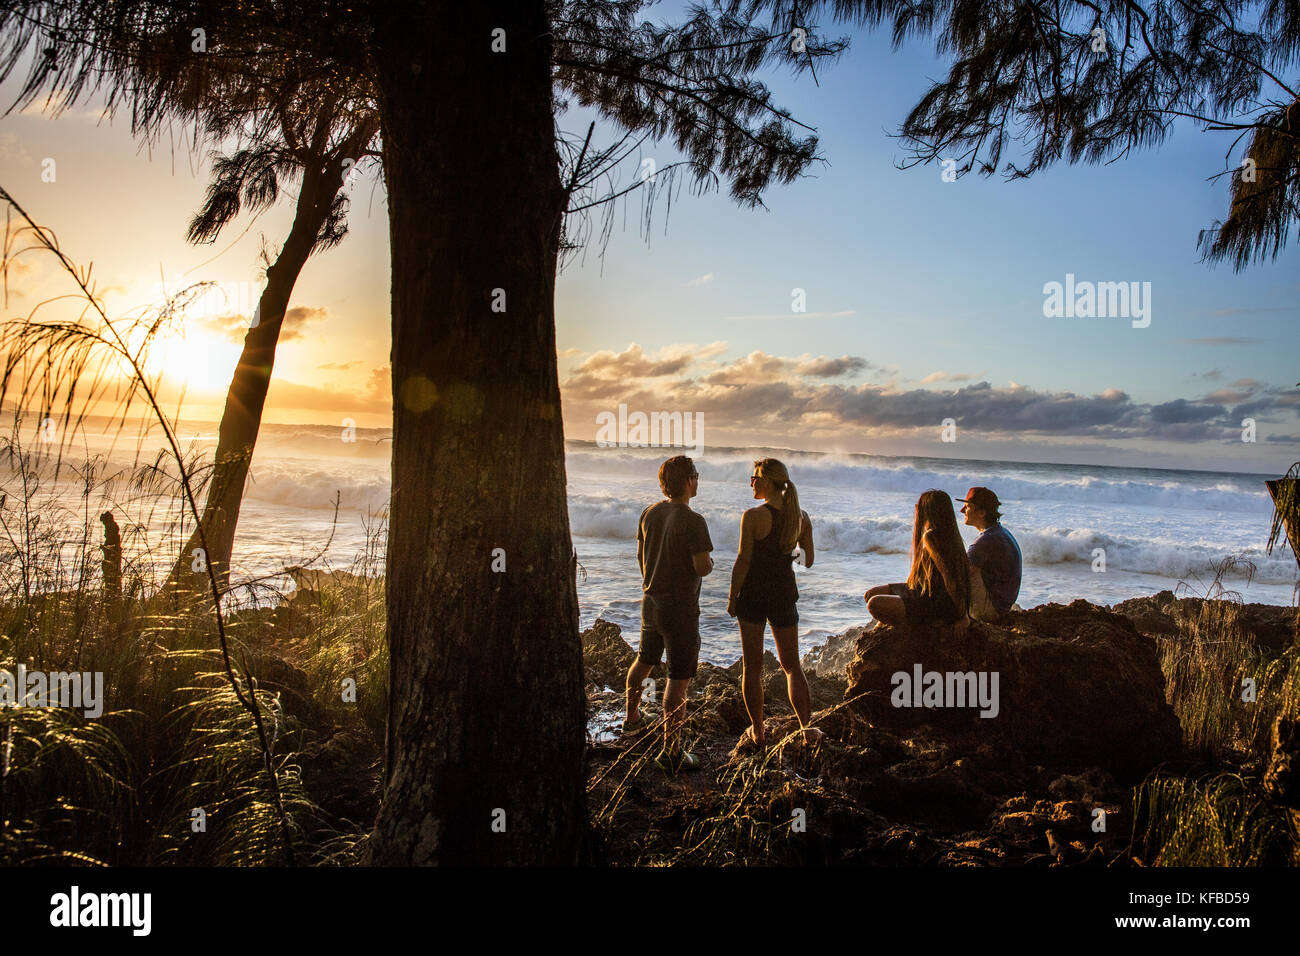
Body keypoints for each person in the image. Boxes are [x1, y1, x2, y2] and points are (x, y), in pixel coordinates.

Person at [624, 455, 713, 773]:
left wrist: (653, 581)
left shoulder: (649, 513)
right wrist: (709, 564)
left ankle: (632, 719)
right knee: (678, 679)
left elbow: (640, 555)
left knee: (644, 660)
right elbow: (702, 566)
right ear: (689, 481)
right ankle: (670, 752)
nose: (698, 480)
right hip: (681, 609)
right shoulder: (693, 520)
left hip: (651, 601)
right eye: (696, 475)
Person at [726, 458, 821, 748]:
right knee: (792, 666)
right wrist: (785, 557)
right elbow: (808, 561)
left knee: (752, 668)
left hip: (753, 597)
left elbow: (743, 562)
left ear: (767, 481)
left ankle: (757, 731)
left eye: (754, 478)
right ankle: (807, 729)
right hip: (783, 595)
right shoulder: (801, 517)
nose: (751, 483)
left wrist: (732, 597)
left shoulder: (753, 516)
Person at [863, 489, 971, 635]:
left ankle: (908, 628)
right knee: (870, 594)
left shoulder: (932, 536)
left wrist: (963, 616)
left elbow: (950, 576)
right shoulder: (947, 534)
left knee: (874, 603)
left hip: (935, 601)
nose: (915, 508)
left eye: (919, 505)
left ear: (929, 510)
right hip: (922, 590)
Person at [958, 486, 1022, 621]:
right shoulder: (1000, 532)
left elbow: (962, 575)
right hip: (1003, 605)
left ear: (981, 512)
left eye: (967, 507)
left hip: (991, 611)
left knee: (962, 571)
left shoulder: (986, 540)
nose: (962, 510)